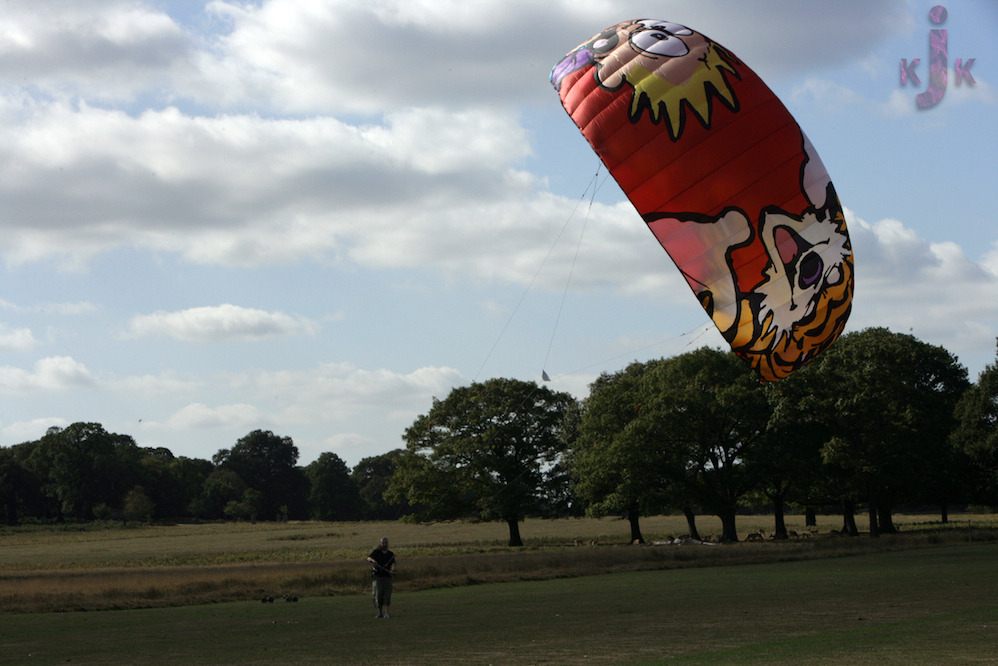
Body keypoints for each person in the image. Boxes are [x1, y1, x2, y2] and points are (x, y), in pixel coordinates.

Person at [366, 536, 396, 618]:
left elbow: (393, 563)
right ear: (381, 543)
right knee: (378, 595)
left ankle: (387, 613)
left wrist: (392, 570)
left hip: (387, 577)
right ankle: (380, 612)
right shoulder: (376, 552)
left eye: (386, 543)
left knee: (387, 594)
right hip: (377, 576)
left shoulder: (390, 554)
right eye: (383, 543)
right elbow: (368, 558)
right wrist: (373, 561)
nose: (384, 544)